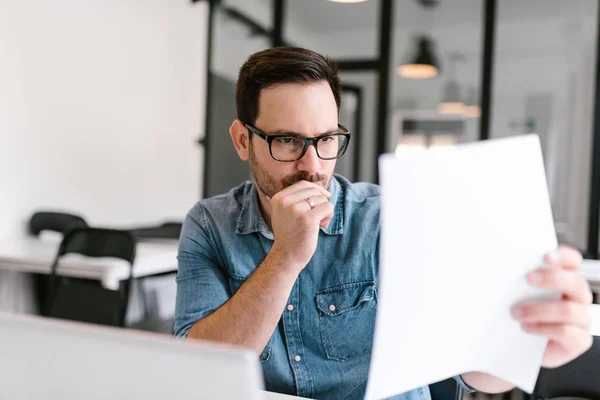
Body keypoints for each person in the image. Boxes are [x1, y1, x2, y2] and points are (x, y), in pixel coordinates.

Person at [174, 47, 593, 399]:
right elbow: (196, 375)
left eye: (326, 140)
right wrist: (285, 258)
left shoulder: (389, 218)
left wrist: (527, 346)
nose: (312, 165)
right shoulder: (210, 225)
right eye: (287, 140)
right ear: (243, 140)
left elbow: (472, 370)